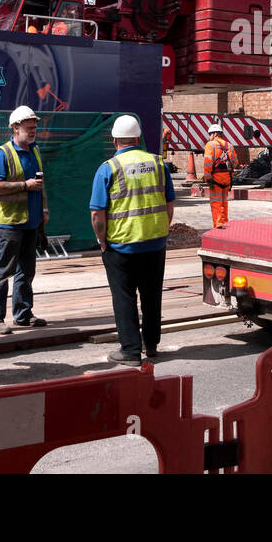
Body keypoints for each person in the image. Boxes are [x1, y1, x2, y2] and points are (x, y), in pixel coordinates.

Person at [90, 114, 175, 366]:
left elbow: (97, 212)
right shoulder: (159, 164)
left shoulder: (109, 168)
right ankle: (151, 344)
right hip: (155, 244)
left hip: (121, 246)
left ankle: (130, 351)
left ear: (115, 140)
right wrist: (161, 229)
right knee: (152, 296)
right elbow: (169, 204)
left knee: (124, 297)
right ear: (138, 138)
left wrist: (101, 240)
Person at [0, 104, 49, 334]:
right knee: (4, 270)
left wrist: (44, 210)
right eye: (28, 127)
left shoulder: (35, 151)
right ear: (15, 128)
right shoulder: (3, 153)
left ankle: (23, 314)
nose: (33, 131)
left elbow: (41, 185)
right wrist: (24, 185)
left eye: (34, 128)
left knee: (26, 270)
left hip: (31, 222)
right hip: (11, 222)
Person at [201, 121, 234, 229]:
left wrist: (207, 177)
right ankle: (225, 222)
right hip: (227, 179)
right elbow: (235, 161)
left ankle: (218, 224)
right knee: (224, 202)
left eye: (210, 134)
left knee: (216, 202)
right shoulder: (229, 145)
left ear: (214, 134)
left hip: (215, 179)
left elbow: (207, 162)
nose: (209, 137)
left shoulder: (210, 145)